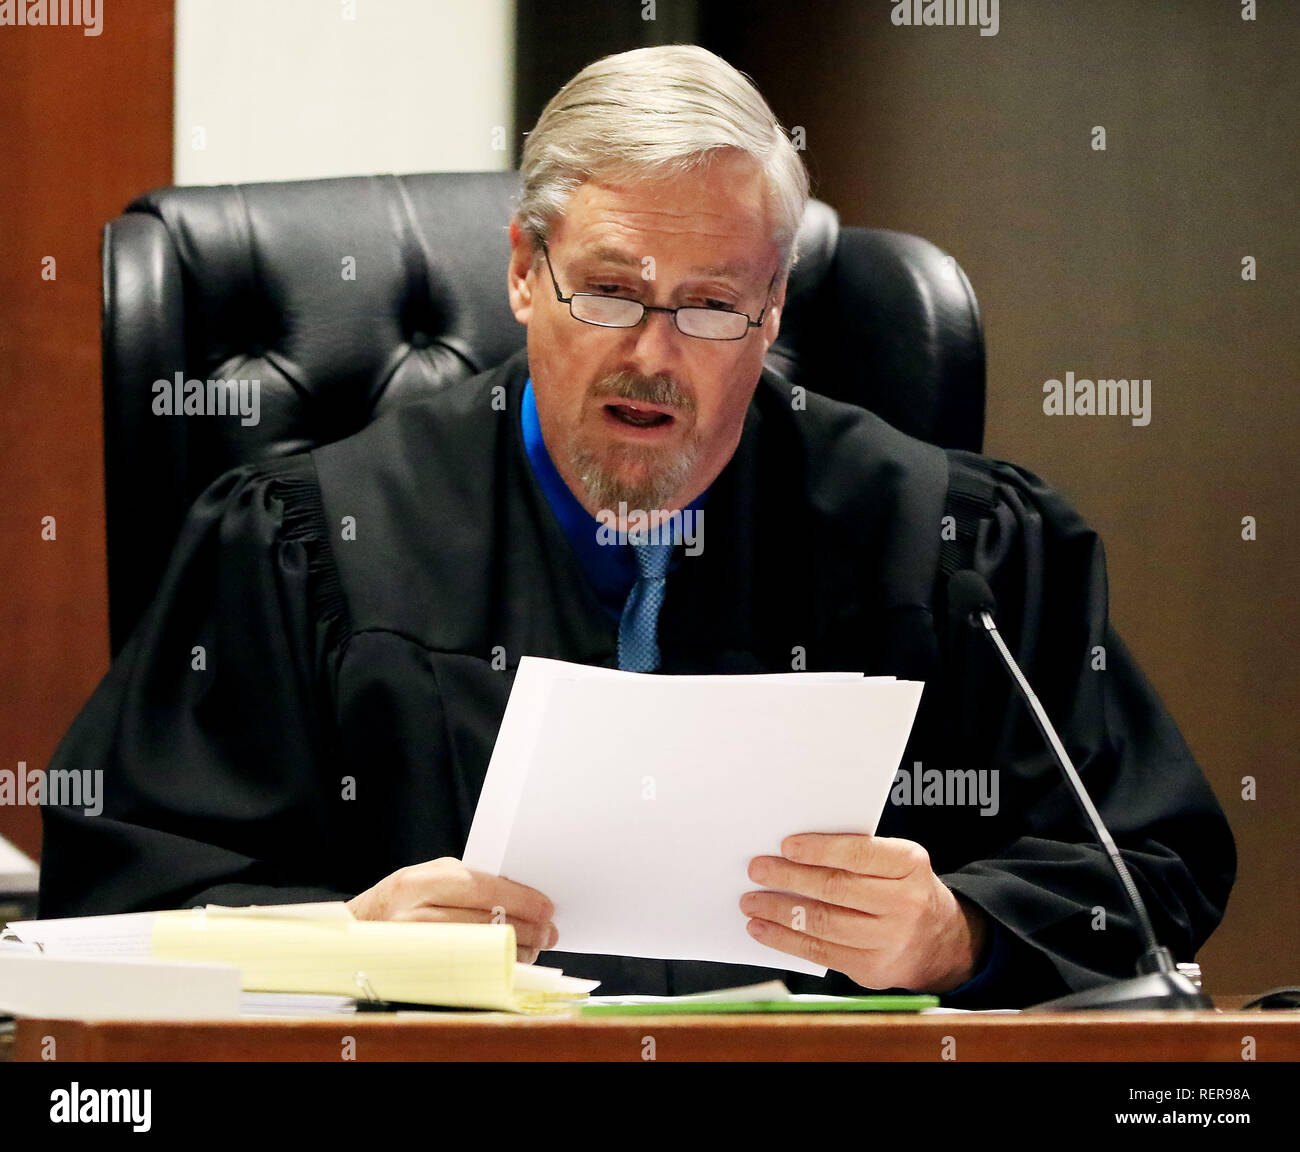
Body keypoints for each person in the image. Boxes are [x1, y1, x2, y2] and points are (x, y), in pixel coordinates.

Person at [38, 45, 1234, 1007]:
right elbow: (110, 897)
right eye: (609, 290)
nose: (652, 357)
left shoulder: (954, 547)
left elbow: (1152, 865)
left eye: (713, 305)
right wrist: (341, 944)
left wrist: (960, 932)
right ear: (523, 270)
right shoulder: (305, 543)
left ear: (772, 312)